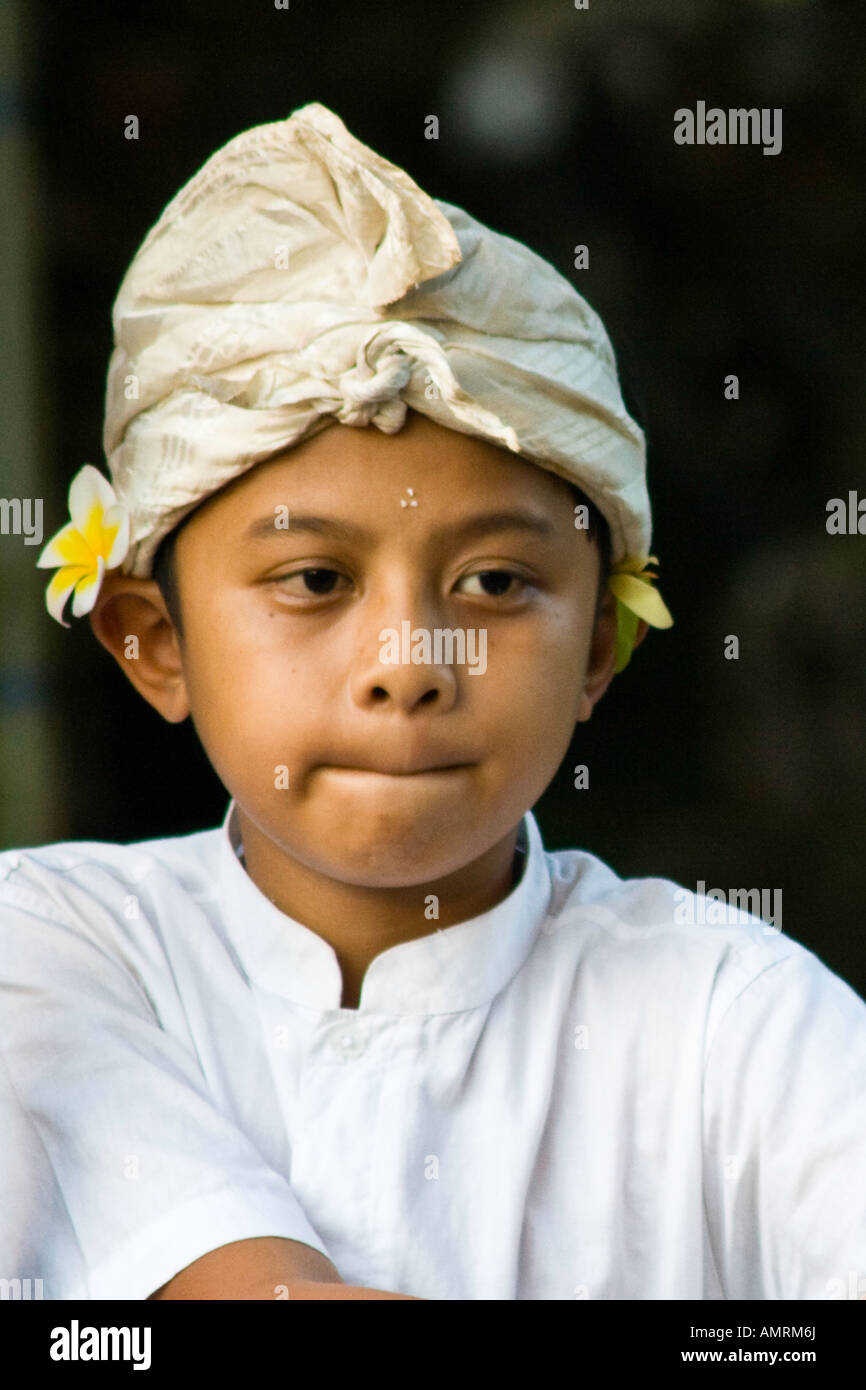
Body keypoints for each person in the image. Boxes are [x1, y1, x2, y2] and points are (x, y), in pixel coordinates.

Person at [1, 102, 864, 1302]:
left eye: (495, 583)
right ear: (154, 642)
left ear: (599, 646)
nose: (409, 661)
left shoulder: (736, 1021)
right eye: (314, 580)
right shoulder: (46, 943)